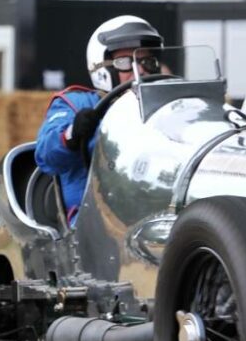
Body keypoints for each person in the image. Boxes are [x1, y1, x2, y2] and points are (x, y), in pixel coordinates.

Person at [35, 15, 164, 226]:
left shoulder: (166, 109)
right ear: (102, 69)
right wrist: (72, 134)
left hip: (156, 212)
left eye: (146, 61)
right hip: (93, 221)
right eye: (125, 62)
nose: (140, 70)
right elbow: (46, 156)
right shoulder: (77, 103)